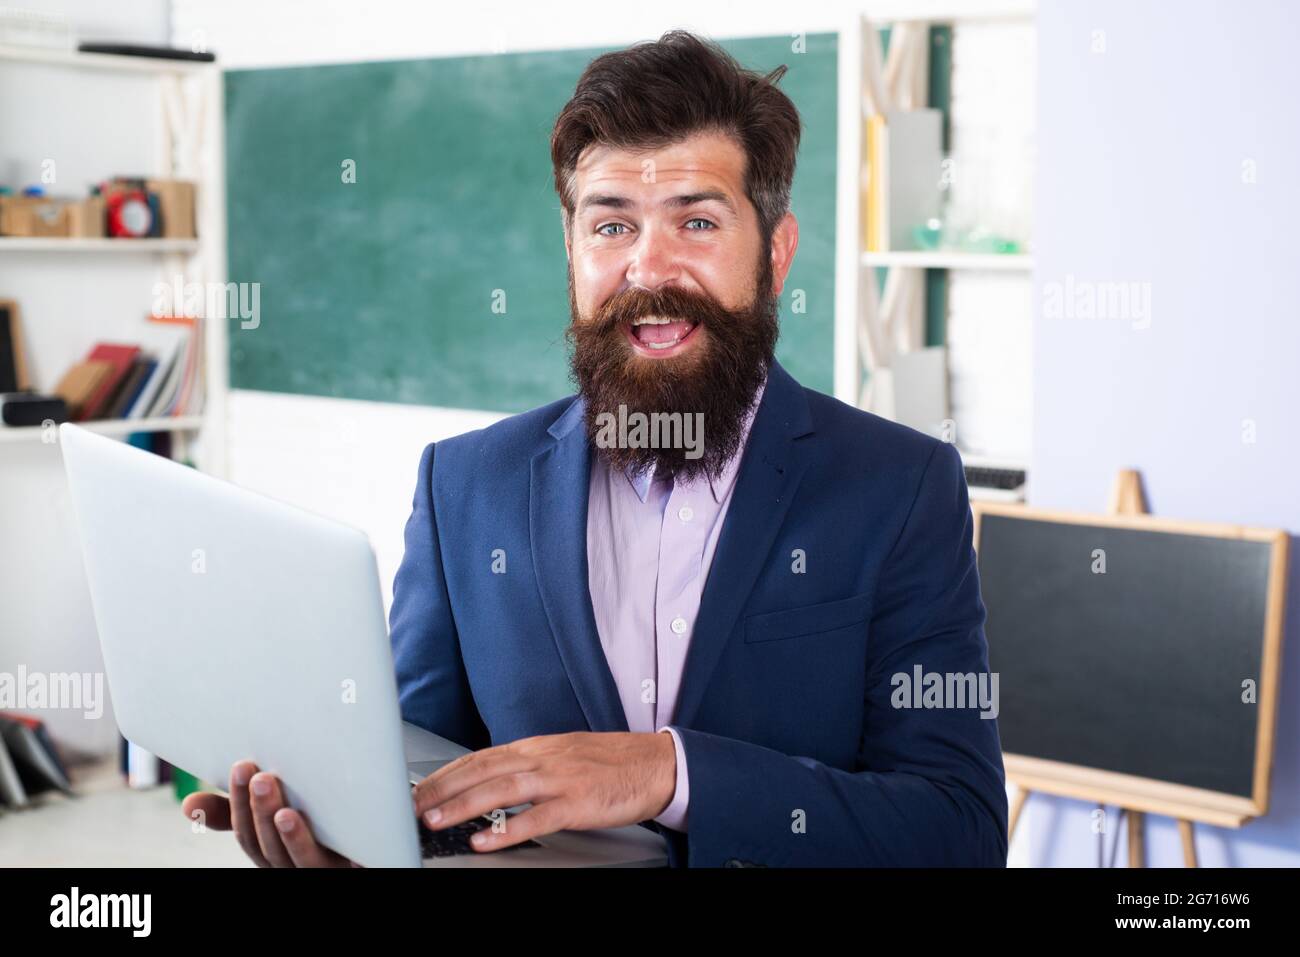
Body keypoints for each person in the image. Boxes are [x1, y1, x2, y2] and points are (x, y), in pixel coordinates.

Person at [183, 30, 1007, 868]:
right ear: (572, 250)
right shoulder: (463, 487)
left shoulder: (901, 487)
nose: (650, 267)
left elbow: (960, 829)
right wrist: (357, 844)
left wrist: (665, 770)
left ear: (777, 253)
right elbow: (425, 780)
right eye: (612, 224)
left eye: (696, 219)